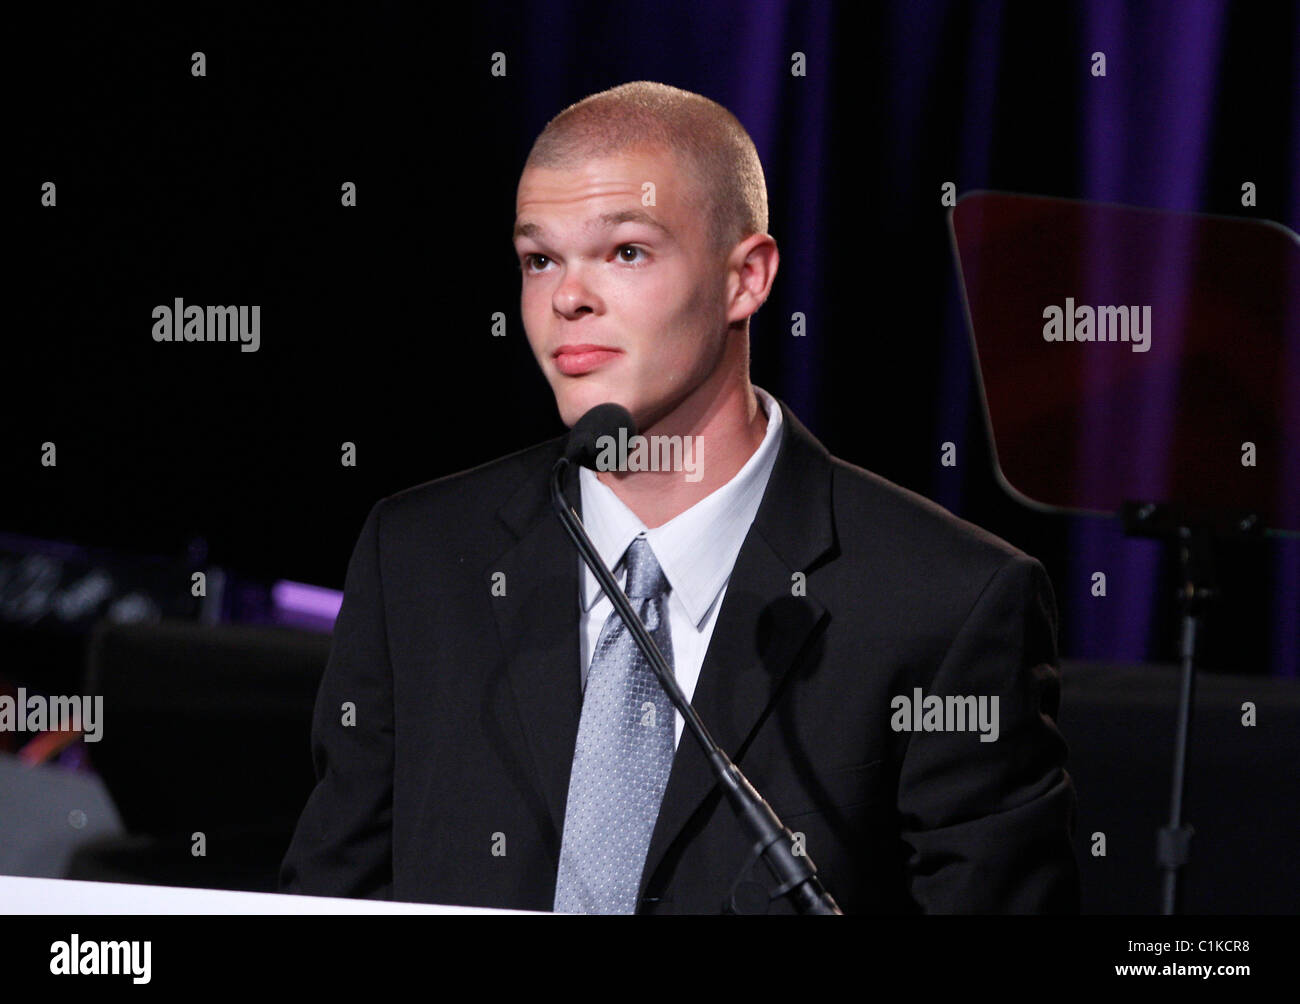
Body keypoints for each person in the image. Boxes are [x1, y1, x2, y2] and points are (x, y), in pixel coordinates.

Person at [279, 81, 1079, 914]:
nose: (566, 298)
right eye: (539, 259)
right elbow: (331, 895)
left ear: (747, 280)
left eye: (626, 251)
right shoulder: (418, 558)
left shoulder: (947, 601)